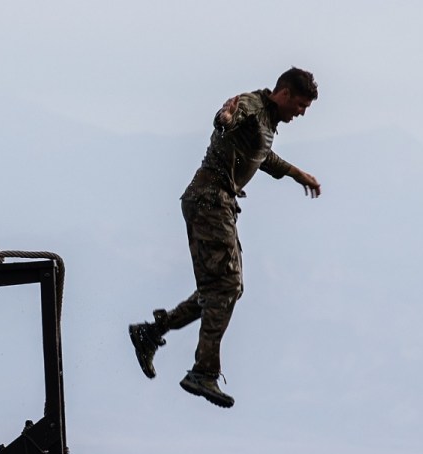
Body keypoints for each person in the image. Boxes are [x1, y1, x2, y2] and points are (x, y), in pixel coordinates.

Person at [129, 67, 322, 408]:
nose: (302, 113)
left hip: (216, 203)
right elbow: (228, 120)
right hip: (210, 201)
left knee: (222, 289)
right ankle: (202, 372)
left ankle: (152, 332)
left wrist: (296, 174)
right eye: (301, 105)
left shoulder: (266, 122)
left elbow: (262, 156)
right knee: (226, 287)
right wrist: (224, 116)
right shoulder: (251, 106)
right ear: (285, 93)